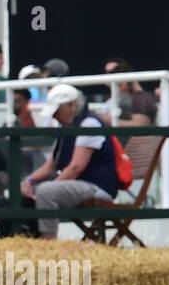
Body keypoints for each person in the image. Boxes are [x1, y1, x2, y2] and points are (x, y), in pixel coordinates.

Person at [22, 84, 119, 239]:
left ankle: (48, 240)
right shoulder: (67, 128)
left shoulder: (89, 124)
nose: (54, 116)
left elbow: (76, 167)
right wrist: (29, 181)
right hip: (81, 184)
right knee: (31, 191)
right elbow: (50, 166)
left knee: (46, 191)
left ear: (72, 106)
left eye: (57, 111)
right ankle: (25, 236)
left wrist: (49, 186)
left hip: (96, 186)